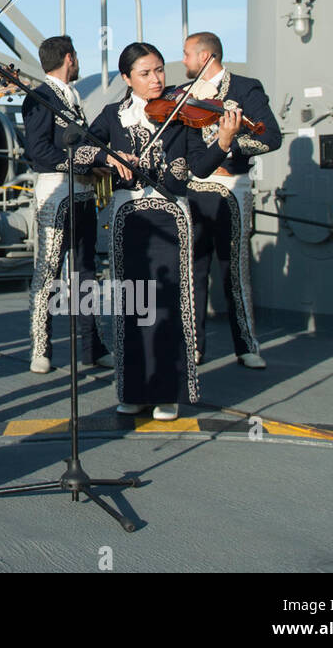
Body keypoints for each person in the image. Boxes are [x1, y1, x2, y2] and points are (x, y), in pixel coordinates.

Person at [70, 42, 239, 421]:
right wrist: (109, 156)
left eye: (160, 70)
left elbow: (199, 168)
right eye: (145, 73)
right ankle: (134, 389)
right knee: (132, 305)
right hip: (128, 217)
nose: (156, 79)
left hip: (170, 218)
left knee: (167, 306)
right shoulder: (113, 116)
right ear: (127, 79)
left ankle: (167, 391)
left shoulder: (181, 115)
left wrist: (224, 142)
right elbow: (80, 152)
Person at [181, 32, 282, 370]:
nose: (183, 62)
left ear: (205, 56)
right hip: (194, 189)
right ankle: (193, 346)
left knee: (234, 269)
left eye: (187, 55)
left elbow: (271, 137)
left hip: (232, 186)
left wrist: (231, 145)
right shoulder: (185, 96)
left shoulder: (245, 88)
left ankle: (247, 345)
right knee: (194, 270)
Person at [22, 35, 111, 375]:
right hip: (56, 195)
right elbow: (38, 151)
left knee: (85, 273)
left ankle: (92, 346)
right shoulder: (41, 97)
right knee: (47, 272)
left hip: (83, 195)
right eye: (76, 59)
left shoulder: (71, 98)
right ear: (70, 58)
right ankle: (40, 347)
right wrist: (85, 164)